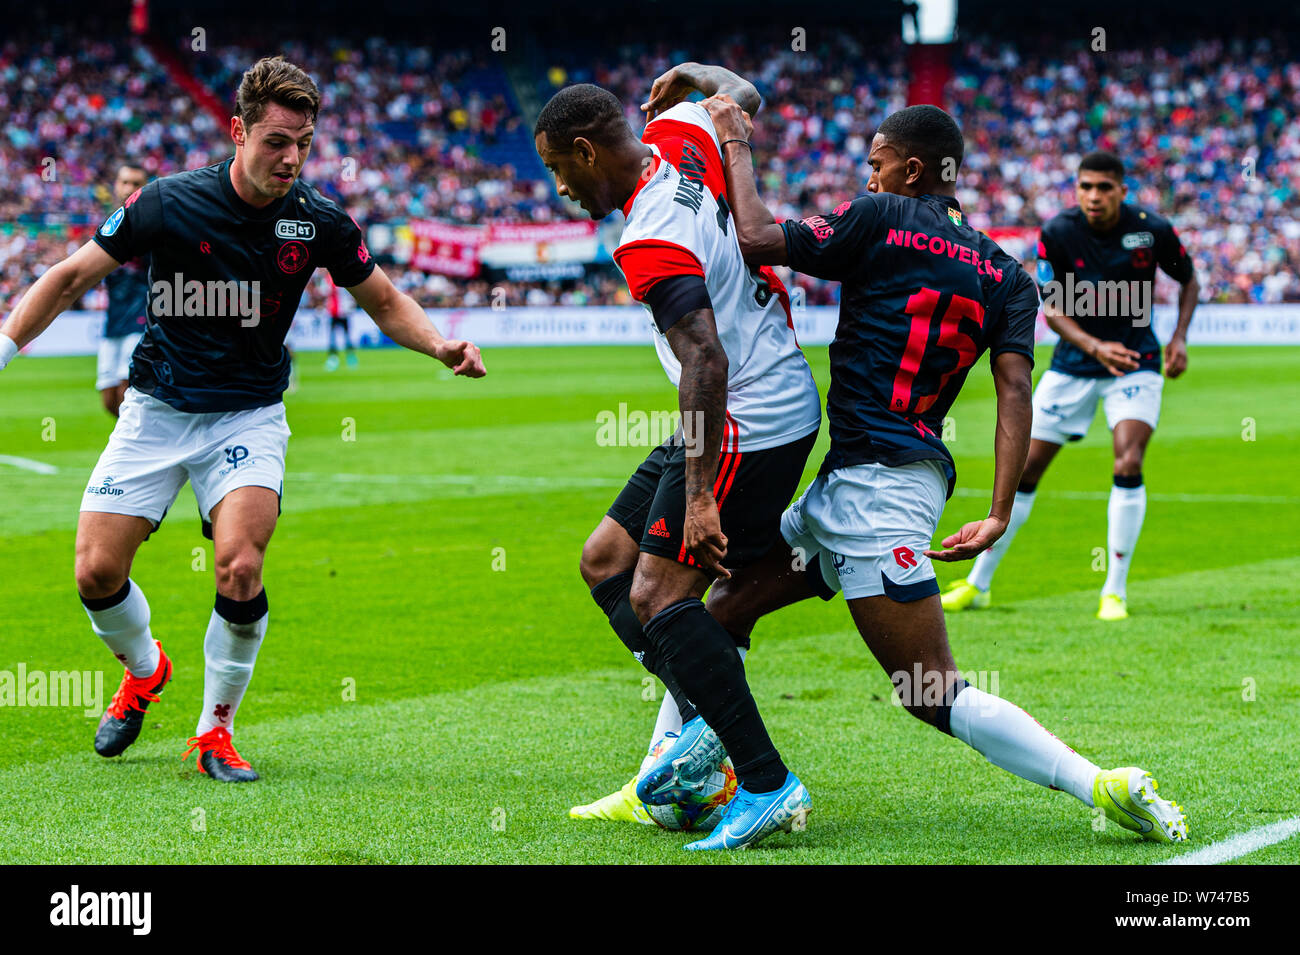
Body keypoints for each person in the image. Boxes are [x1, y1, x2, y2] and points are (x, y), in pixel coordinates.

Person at [699, 93, 1187, 845]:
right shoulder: (1006, 274)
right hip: (874, 479)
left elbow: (758, 237)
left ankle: (1102, 784)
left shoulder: (879, 217)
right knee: (723, 610)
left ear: (912, 169)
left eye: (876, 163)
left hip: (876, 493)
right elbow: (1015, 391)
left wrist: (735, 142)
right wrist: (998, 511)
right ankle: (671, 777)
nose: (868, 176)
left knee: (930, 690)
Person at [0, 55, 484, 783]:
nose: (291, 158)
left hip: (248, 418)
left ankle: (214, 732)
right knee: (96, 572)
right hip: (157, 410)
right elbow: (69, 277)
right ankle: (145, 669)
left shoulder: (317, 219)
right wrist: (4, 350)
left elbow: (384, 300)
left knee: (240, 564)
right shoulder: (166, 202)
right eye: (276, 141)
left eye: (304, 144)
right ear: (238, 131)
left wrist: (440, 344)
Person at [535, 70, 821, 850]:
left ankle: (763, 779)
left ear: (587, 151)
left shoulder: (650, 236)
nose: (560, 188)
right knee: (605, 560)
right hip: (741, 402)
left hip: (749, 415)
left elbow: (705, 358)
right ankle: (699, 740)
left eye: (559, 169)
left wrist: (699, 497)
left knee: (660, 596)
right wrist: (695, 77)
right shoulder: (681, 131)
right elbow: (743, 95)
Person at [942, 151, 1198, 621]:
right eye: (1086, 187)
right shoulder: (1058, 232)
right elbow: (1054, 309)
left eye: (1104, 187)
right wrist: (1097, 348)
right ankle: (978, 584)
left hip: (1135, 365)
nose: (1093, 196)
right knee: (1024, 472)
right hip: (1073, 366)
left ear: (1122, 190)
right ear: (1077, 189)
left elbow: (1189, 280)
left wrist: (1179, 337)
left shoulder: (1152, 229)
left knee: (1128, 460)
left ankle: (1114, 592)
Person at [96, 162, 149, 417]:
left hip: (140, 317)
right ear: (116, 185)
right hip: (114, 320)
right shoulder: (108, 226)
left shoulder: (150, 226)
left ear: (145, 187)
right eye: (125, 182)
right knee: (109, 399)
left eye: (136, 183)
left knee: (125, 390)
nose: (129, 188)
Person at [322, 272, 357, 370]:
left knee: (347, 337)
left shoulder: (341, 277)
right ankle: (333, 359)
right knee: (333, 338)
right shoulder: (328, 279)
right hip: (333, 313)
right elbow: (324, 292)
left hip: (344, 312)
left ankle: (350, 358)